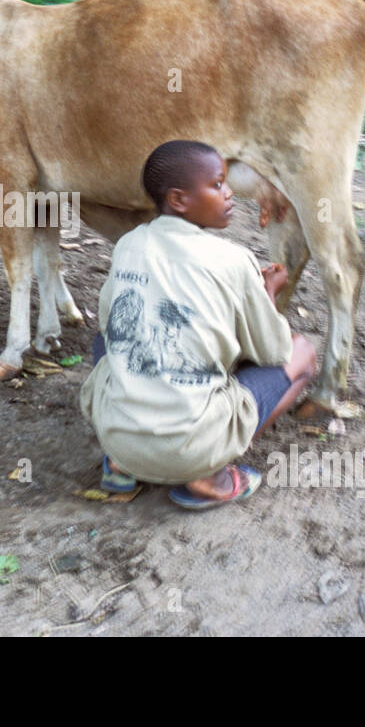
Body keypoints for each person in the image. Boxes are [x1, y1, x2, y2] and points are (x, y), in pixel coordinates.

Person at [78, 140, 318, 509]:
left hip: (116, 435)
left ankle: (121, 465)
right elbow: (273, 349)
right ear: (178, 199)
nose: (229, 192)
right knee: (302, 353)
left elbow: (112, 329)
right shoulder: (233, 260)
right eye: (218, 184)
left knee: (104, 343)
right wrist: (267, 293)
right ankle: (211, 474)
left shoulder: (127, 245)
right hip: (190, 447)